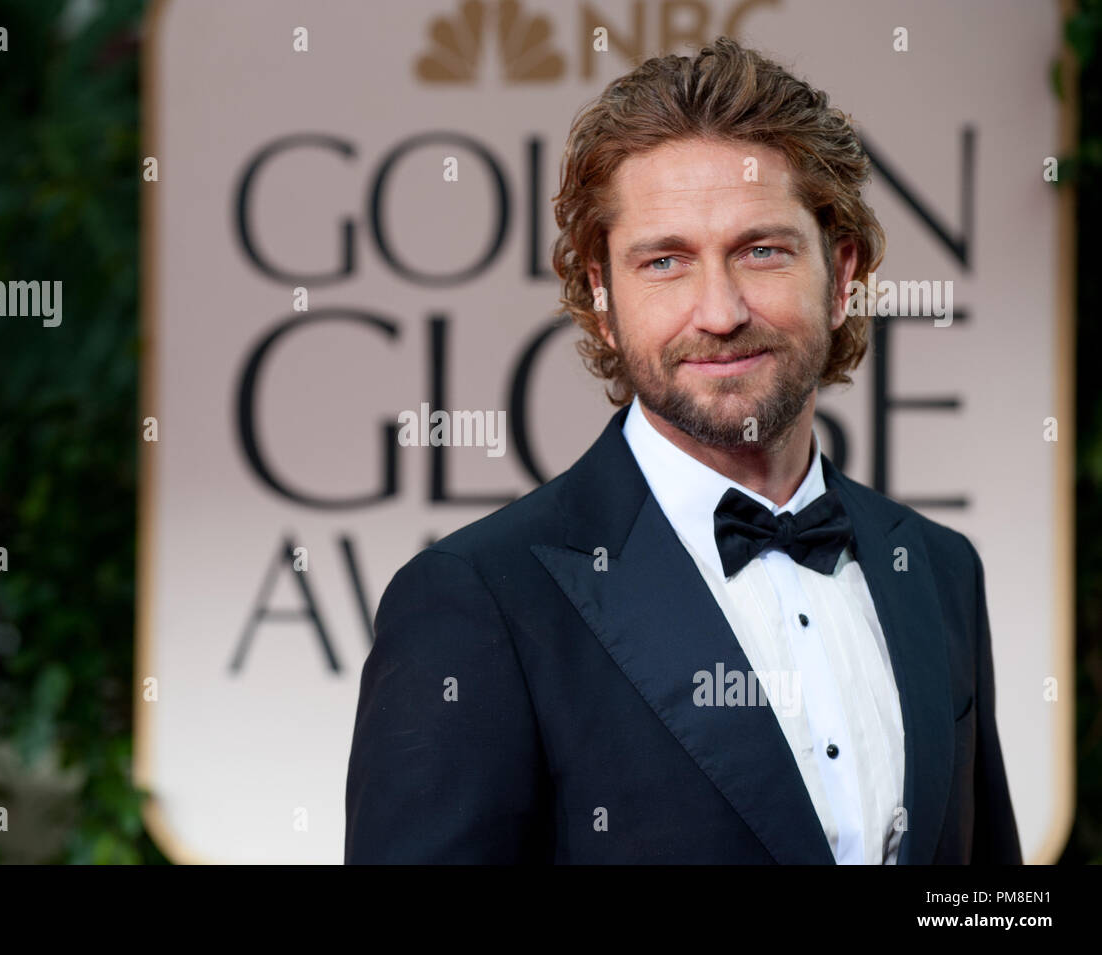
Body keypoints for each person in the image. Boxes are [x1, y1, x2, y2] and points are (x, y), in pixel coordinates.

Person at [344, 36, 1021, 864]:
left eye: (761, 250)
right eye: (665, 261)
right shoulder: (475, 603)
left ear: (842, 273)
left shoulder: (940, 570)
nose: (721, 310)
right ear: (601, 296)